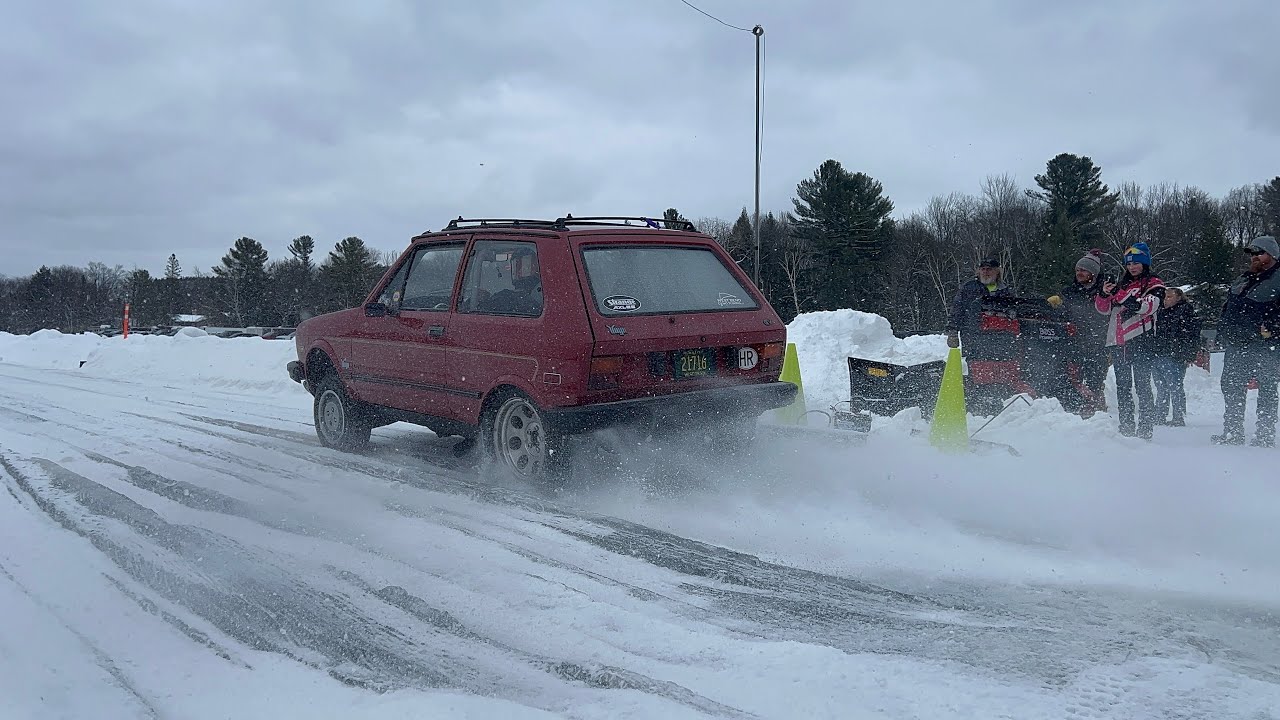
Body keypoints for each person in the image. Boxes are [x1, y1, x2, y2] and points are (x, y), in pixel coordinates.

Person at [1212, 235, 1280, 447]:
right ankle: (1232, 432)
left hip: (1265, 345)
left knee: (1267, 389)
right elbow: (1229, 308)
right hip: (1236, 343)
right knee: (1231, 387)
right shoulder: (1243, 279)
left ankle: (1265, 434)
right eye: (1252, 253)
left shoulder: (1278, 279)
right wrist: (1222, 332)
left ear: (1272, 254)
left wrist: (1272, 328)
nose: (1254, 257)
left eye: (1259, 252)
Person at [1094, 242, 1165, 439]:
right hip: (1118, 341)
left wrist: (1119, 294)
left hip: (1142, 340)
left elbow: (1146, 307)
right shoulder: (1123, 284)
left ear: (1145, 263)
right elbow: (1103, 310)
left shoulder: (1154, 283)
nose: (1132, 267)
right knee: (1123, 387)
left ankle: (1145, 429)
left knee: (1142, 386)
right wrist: (1104, 293)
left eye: (1136, 263)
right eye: (1129, 264)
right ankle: (1125, 427)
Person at [1047, 250, 1110, 414]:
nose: (1079, 273)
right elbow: (1063, 315)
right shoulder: (1069, 292)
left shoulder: (1103, 292)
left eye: (1083, 270)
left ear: (1093, 273)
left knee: (1095, 378)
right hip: (1073, 341)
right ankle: (1079, 407)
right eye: (1077, 270)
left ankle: (1097, 409)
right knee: (1073, 377)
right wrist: (1055, 307)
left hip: (1097, 342)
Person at [1150, 287, 1201, 426]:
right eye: (1165, 297)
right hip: (1159, 352)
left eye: (1169, 297)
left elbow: (1192, 335)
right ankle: (1160, 415)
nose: (1166, 300)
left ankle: (1177, 416)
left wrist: (1188, 354)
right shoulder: (1160, 311)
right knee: (1162, 386)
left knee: (1174, 386)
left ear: (1178, 298)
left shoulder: (1185, 312)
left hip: (1174, 355)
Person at [946, 257, 1012, 351]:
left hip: (1001, 338)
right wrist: (953, 331)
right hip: (972, 336)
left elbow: (1012, 312)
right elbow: (957, 309)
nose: (985, 272)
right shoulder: (969, 288)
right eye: (983, 269)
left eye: (989, 269)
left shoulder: (1005, 291)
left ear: (997, 271)